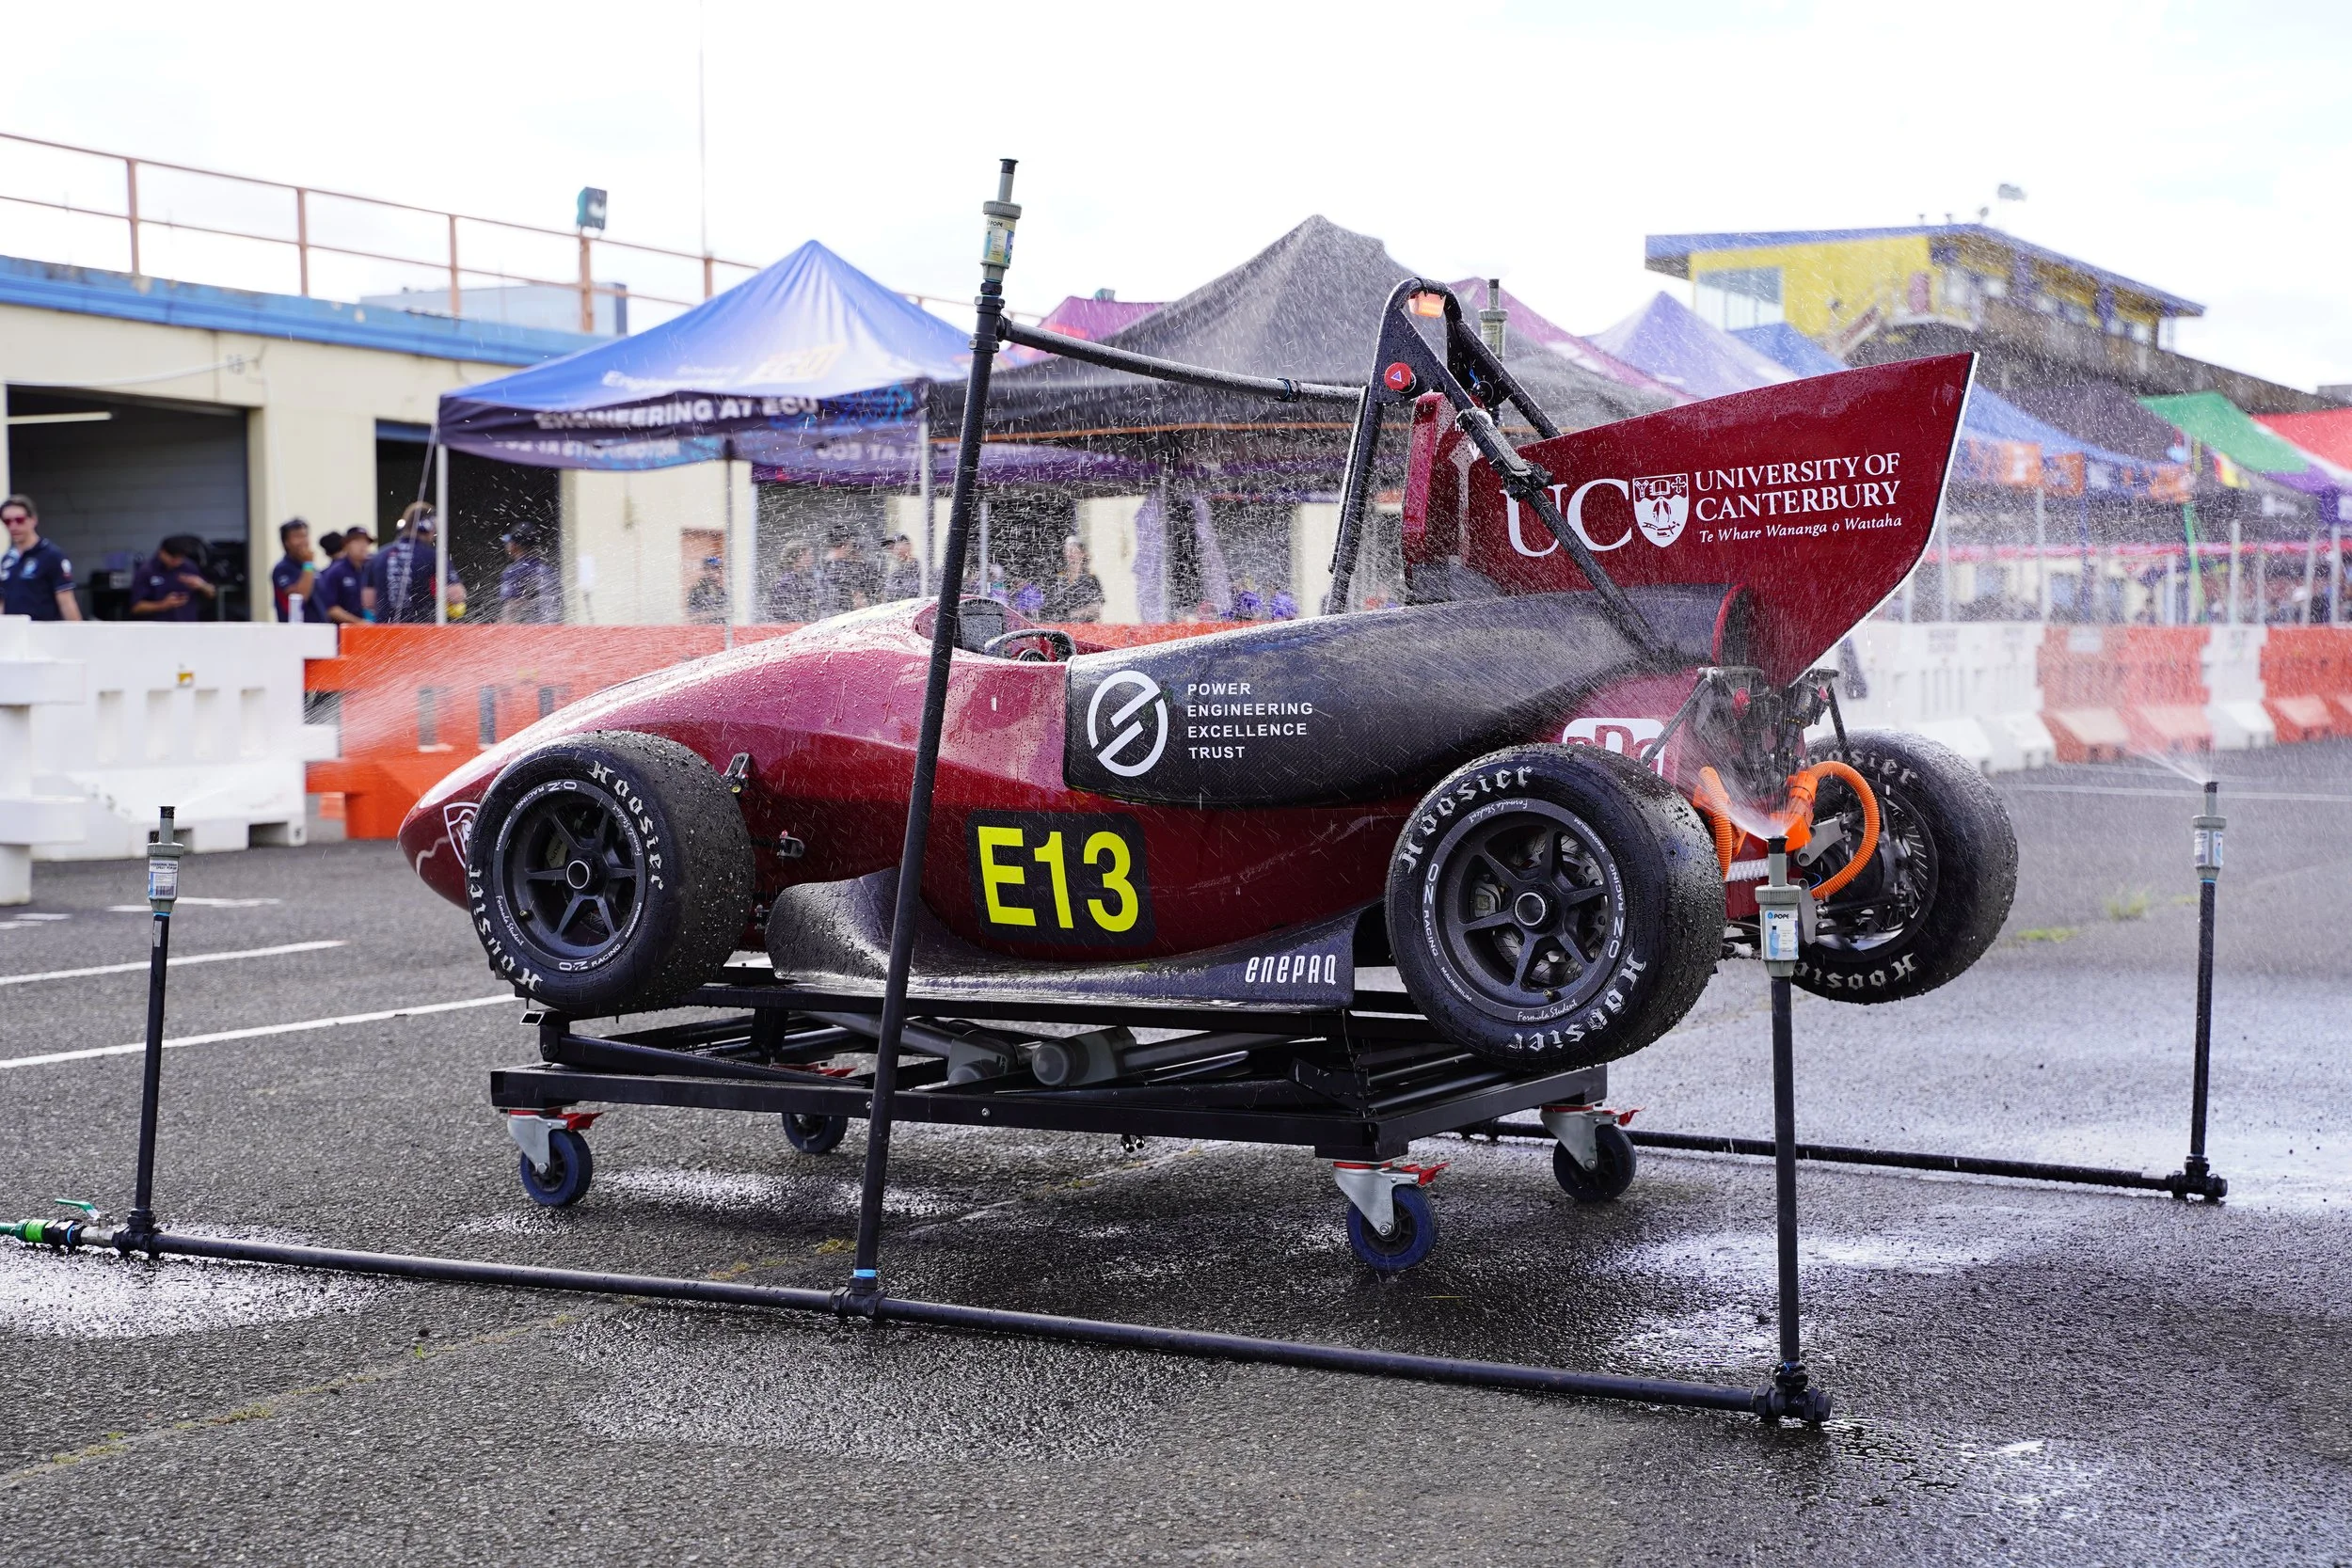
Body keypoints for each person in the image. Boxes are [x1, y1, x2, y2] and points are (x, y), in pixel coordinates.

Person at [365, 502, 466, 624]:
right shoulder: (433, 556)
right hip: (420, 633)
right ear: (428, 526)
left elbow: (367, 601)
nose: (434, 534)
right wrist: (438, 591)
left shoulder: (378, 556)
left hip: (384, 633)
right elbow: (456, 595)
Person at [1, 494, 82, 621]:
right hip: (15, 634)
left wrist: (78, 636)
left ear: (33, 520)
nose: (13, 526)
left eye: (19, 520)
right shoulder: (7, 560)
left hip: (44, 634)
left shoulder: (51, 555)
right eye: (7, 521)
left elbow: (66, 602)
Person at [129, 535, 216, 622]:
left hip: (188, 625)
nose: (177, 562)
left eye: (181, 558)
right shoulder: (146, 571)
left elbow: (211, 593)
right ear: (162, 552)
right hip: (159, 626)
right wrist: (162, 605)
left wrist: (202, 585)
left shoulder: (189, 567)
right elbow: (136, 608)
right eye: (173, 558)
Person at [499, 529, 562, 624]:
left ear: (514, 545)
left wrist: (504, 624)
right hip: (552, 627)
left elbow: (512, 605)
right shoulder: (547, 570)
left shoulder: (512, 572)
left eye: (508, 542)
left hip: (528, 630)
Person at [312, 527, 373, 626]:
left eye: (366, 542)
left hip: (369, 631)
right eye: (357, 541)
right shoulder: (335, 572)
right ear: (346, 545)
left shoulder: (371, 568)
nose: (363, 545)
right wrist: (360, 623)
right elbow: (331, 609)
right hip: (343, 634)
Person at [269, 518, 323, 623]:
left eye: (305, 536)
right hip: (298, 631)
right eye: (297, 537)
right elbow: (300, 597)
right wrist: (308, 564)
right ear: (286, 542)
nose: (303, 541)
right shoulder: (282, 568)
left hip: (319, 629)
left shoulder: (313, 570)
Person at [1041, 535, 1104, 622]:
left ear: (1083, 553)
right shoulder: (1058, 579)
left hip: (1084, 629)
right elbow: (1049, 607)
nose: (1071, 553)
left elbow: (1097, 609)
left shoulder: (1091, 580)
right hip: (1060, 627)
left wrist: (1075, 614)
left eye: (1074, 549)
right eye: (1068, 550)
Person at [765, 542, 819, 623]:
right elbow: (786, 610)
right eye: (807, 555)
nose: (812, 558)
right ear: (797, 558)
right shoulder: (788, 581)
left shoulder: (797, 578)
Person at [685, 555, 730, 625]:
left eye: (718, 569)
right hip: (703, 629)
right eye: (712, 568)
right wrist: (714, 614)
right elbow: (692, 615)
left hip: (720, 630)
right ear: (705, 570)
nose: (715, 572)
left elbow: (727, 611)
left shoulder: (720, 590)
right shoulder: (697, 591)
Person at [880, 533, 924, 601]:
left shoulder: (923, 568)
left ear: (908, 545)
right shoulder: (895, 573)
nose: (894, 550)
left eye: (896, 546)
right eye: (890, 548)